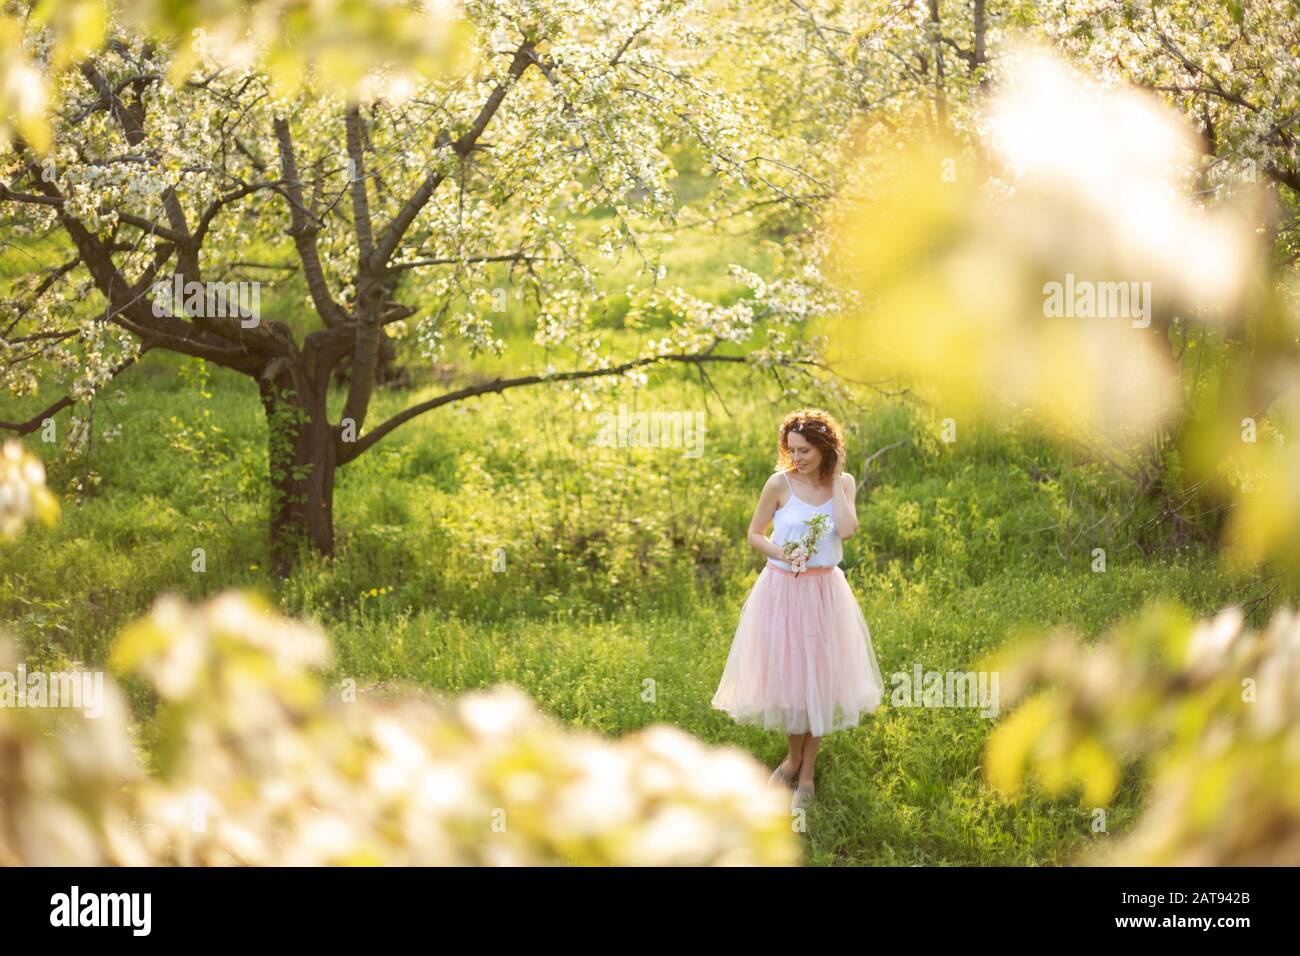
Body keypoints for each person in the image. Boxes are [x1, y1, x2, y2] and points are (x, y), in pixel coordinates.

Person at [710, 408, 884, 813]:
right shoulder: (779, 483)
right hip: (782, 589)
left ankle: (807, 773)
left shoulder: (843, 483)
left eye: (805, 450)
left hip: (824, 590)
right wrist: (784, 552)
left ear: (826, 448)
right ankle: (792, 758)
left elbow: (846, 530)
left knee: (821, 679)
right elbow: (755, 534)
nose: (797, 457)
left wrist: (839, 476)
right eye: (792, 450)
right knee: (790, 680)